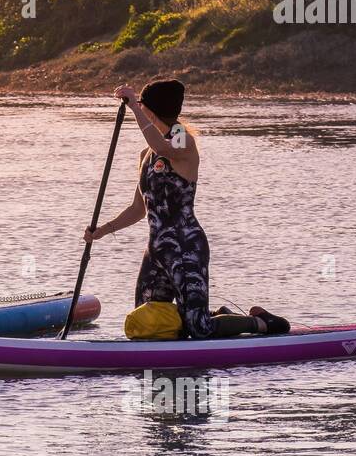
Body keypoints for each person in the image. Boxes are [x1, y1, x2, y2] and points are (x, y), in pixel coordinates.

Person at [83, 77, 290, 338]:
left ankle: (259, 323)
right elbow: (139, 208)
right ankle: (216, 315)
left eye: (144, 107)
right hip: (156, 250)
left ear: (150, 110)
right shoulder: (145, 155)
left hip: (186, 247)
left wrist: (134, 106)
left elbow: (163, 146)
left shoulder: (183, 140)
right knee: (148, 322)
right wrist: (102, 230)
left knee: (198, 329)